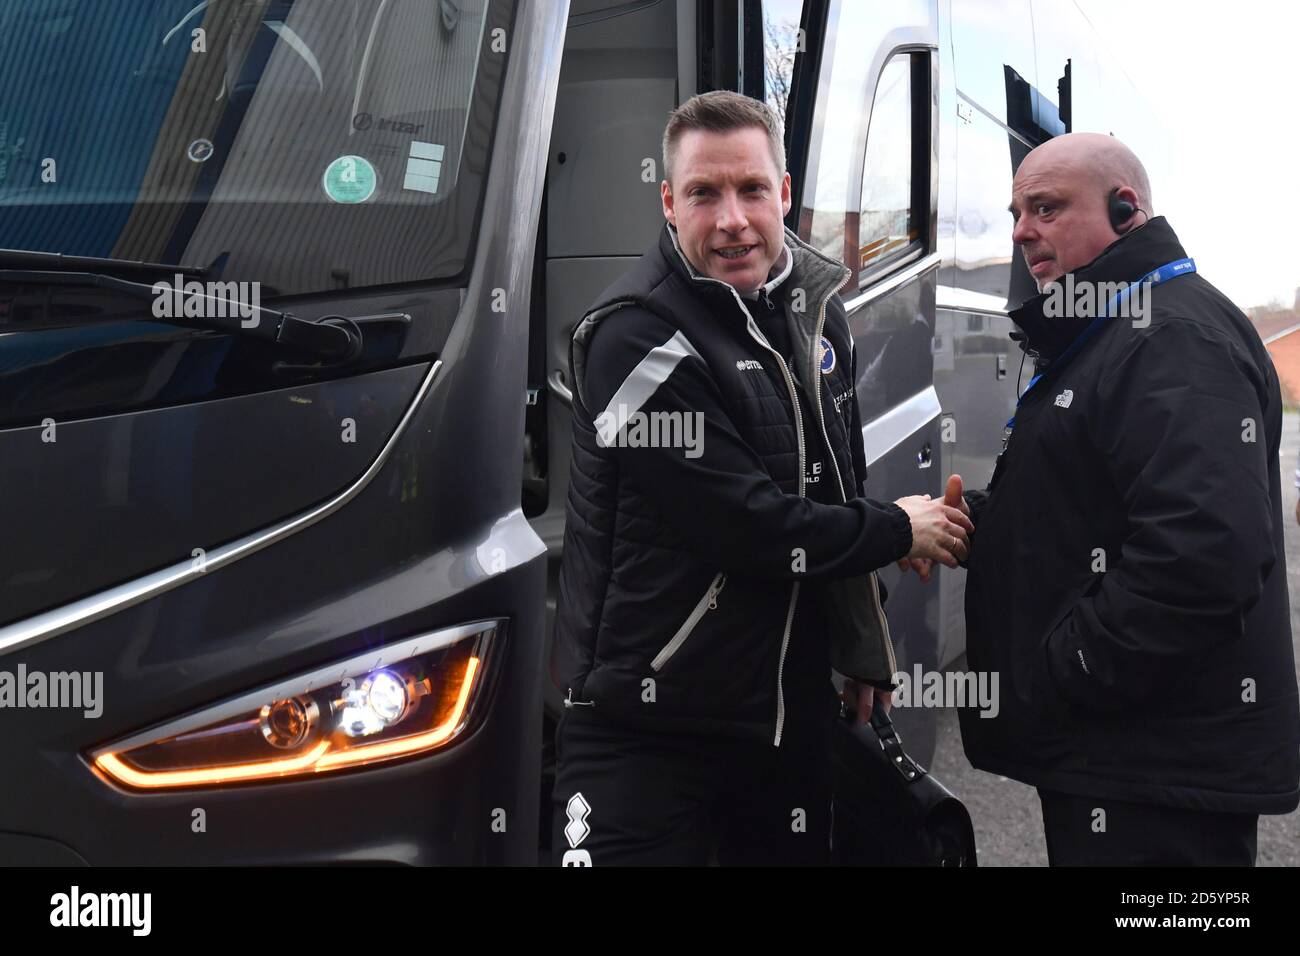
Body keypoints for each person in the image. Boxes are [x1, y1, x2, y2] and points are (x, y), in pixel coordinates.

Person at [548, 90, 971, 865]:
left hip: (785, 723)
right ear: (670, 205)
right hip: (644, 733)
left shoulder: (819, 320)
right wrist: (894, 530)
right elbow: (751, 525)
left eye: (751, 190)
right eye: (705, 194)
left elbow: (830, 493)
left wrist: (861, 643)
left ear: (784, 195)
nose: (732, 219)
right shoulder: (634, 339)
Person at [952, 131, 1300, 865]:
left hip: (1157, 778)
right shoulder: (1120, 325)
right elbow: (1099, 507)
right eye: (1016, 213)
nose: (1021, 232)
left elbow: (1207, 554)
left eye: (1045, 208)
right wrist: (983, 526)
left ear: (1125, 209)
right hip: (1131, 760)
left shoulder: (1171, 336)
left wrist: (1067, 668)